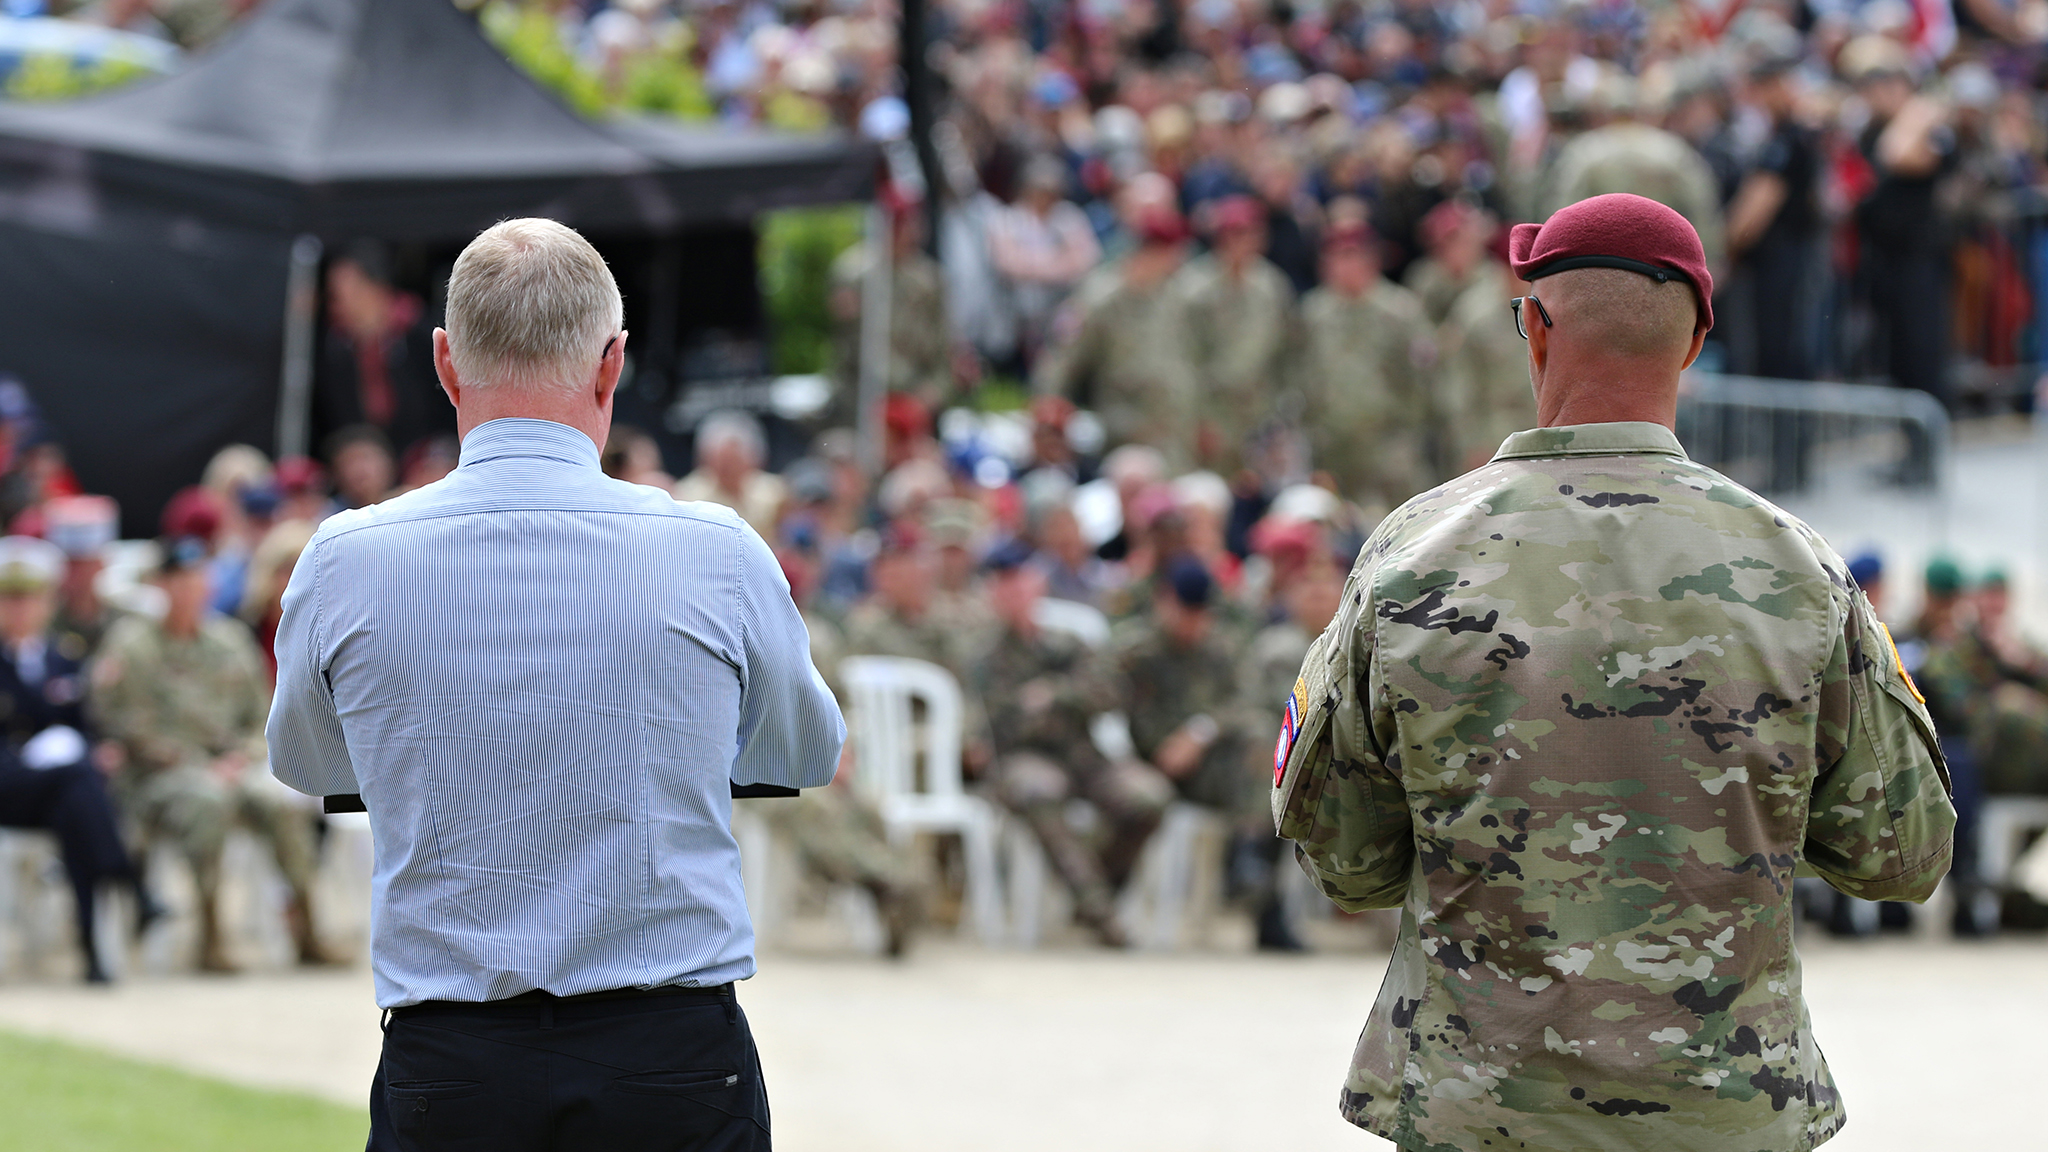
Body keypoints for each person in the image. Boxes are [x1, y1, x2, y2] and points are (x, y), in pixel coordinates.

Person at [1273, 194, 1953, 1151]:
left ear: (1534, 328)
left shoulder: (1411, 560)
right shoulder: (1800, 572)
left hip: (1481, 1110)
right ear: (1694, 343)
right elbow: (1902, 854)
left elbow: (1346, 860)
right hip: (1724, 1110)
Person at [266, 218, 843, 1152]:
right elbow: (806, 750)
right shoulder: (716, 552)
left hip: (452, 1056)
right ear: (613, 365)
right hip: (670, 1054)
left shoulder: (347, 559)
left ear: (447, 365)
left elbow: (305, 760)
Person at [90, 535, 335, 973]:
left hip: (232, 768)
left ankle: (309, 930)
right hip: (158, 779)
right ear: (160, 586)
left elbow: (264, 717)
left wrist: (240, 758)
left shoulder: (228, 642)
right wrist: (202, 766)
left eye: (198, 578)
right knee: (208, 801)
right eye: (179, 579)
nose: (191, 588)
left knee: (282, 803)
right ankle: (210, 935)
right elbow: (129, 728)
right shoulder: (132, 646)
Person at [974, 540, 1172, 947]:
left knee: (1149, 798)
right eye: (1004, 587)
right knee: (1038, 790)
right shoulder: (983, 654)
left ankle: (1094, 888)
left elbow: (1109, 692)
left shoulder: (1068, 642)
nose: (1015, 595)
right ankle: (1100, 912)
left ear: (1038, 588)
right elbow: (1001, 720)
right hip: (1023, 759)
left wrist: (1054, 695)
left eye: (1022, 585)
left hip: (1084, 754)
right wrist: (1059, 701)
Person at [0, 536, 155, 983]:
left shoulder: (61, 657)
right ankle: (132, 886)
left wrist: (96, 749)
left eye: (28, 600)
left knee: (76, 805)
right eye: (11, 600)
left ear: (46, 603)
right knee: (79, 779)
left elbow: (82, 722)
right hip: (10, 783)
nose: (20, 610)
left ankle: (93, 954)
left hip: (54, 785)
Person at [1293, 221, 1439, 517]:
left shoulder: (1400, 310)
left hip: (1388, 443)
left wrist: (1407, 429)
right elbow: (1300, 373)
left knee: (1401, 523)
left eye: (1354, 256)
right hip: (1333, 443)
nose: (1346, 265)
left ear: (1372, 259)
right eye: (1337, 257)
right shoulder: (1313, 313)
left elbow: (1423, 377)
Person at [1173, 194, 1293, 470]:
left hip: (1260, 411)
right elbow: (1184, 362)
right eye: (1235, 234)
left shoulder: (1271, 285)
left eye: (1252, 233)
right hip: (1214, 411)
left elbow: (1286, 350)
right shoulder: (1194, 289)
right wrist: (1198, 420)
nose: (1244, 241)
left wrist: (1283, 415)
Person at [672, 409, 788, 541]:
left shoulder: (774, 494)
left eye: (735, 461)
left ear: (753, 459)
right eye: (723, 462)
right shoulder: (687, 498)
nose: (730, 469)